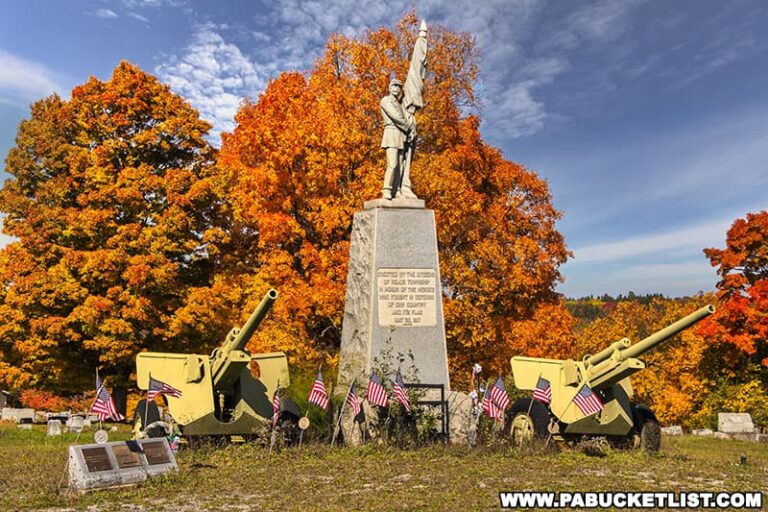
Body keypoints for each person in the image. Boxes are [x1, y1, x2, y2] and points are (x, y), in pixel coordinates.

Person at [380, 78, 414, 200]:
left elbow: (403, 116)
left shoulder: (399, 104)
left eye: (399, 87)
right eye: (394, 86)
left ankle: (396, 190)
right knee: (392, 163)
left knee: (400, 165)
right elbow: (395, 117)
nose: (397, 89)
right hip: (391, 133)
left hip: (400, 135)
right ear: (390, 87)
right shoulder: (386, 100)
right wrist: (407, 127)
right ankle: (387, 189)